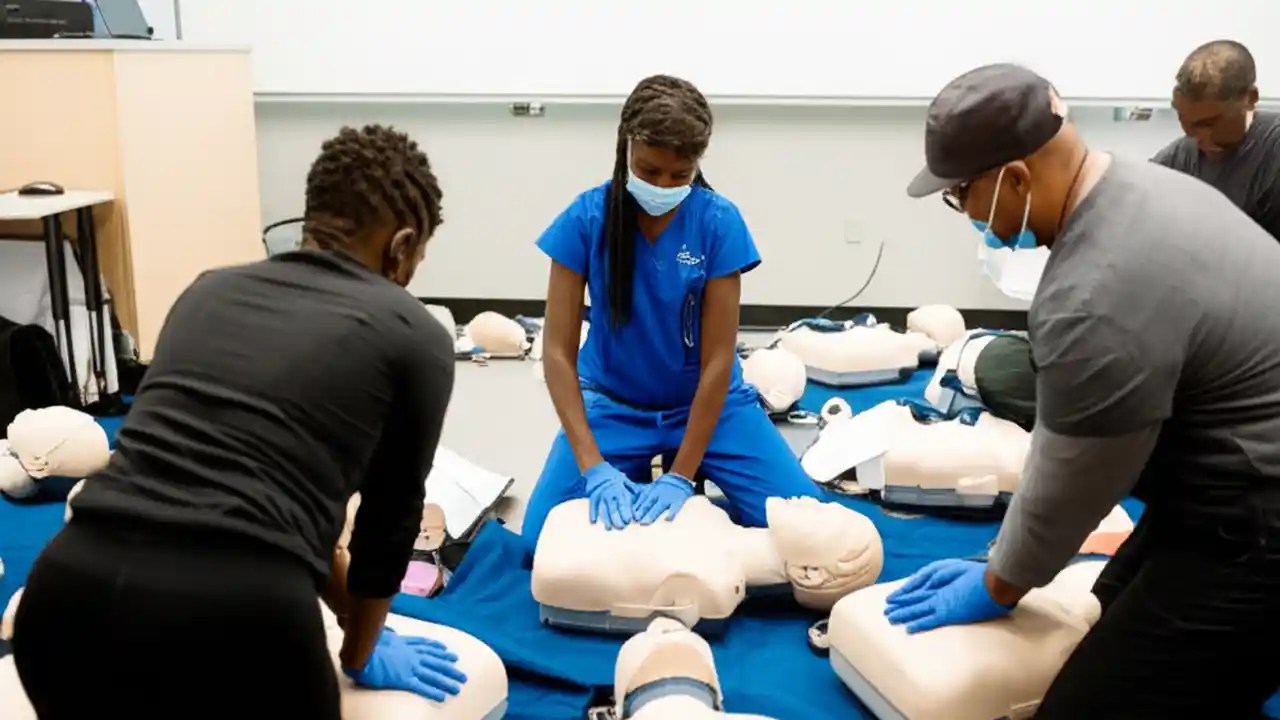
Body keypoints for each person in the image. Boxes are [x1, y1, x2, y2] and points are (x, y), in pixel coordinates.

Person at [12, 125, 467, 717]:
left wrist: (352, 615)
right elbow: (387, 527)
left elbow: (267, 498)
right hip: (239, 626)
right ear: (403, 246)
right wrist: (360, 650)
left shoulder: (207, 292)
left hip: (65, 602)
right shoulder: (415, 337)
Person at [884, 64, 1280, 717]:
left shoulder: (1096, 290)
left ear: (1014, 178)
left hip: (1258, 520)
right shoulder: (1147, 186)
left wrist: (998, 582)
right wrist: (1006, 561)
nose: (968, 215)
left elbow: (1075, 483)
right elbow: (1063, 438)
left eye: (961, 196)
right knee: (1101, 612)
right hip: (1221, 484)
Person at [520, 75, 823, 547]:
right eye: (648, 170)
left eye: (679, 175)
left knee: (811, 527)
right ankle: (628, 482)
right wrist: (593, 466)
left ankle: (681, 499)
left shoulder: (718, 222)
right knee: (539, 541)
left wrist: (681, 476)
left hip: (708, 406)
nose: (663, 185)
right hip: (612, 407)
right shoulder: (585, 219)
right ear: (625, 148)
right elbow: (557, 353)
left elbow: (720, 360)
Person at [1153, 40, 1280, 240]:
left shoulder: (1273, 150)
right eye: (1187, 121)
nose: (1198, 137)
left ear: (1250, 98)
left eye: (1209, 123)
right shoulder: (1177, 160)